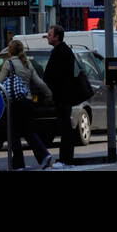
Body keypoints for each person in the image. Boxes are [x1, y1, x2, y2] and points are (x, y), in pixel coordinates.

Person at [0, 39, 54, 170]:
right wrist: (49, 94)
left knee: (13, 134)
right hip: (28, 102)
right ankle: (44, 155)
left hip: (15, 103)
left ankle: (18, 164)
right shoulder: (27, 63)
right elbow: (39, 82)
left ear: (10, 51)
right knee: (29, 131)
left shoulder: (9, 63)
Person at [43, 25, 77, 168]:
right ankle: (66, 158)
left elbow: (52, 75)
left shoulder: (60, 52)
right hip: (64, 94)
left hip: (62, 95)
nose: (48, 37)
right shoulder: (64, 50)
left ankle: (65, 159)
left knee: (65, 127)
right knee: (65, 127)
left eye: (50, 35)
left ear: (57, 37)